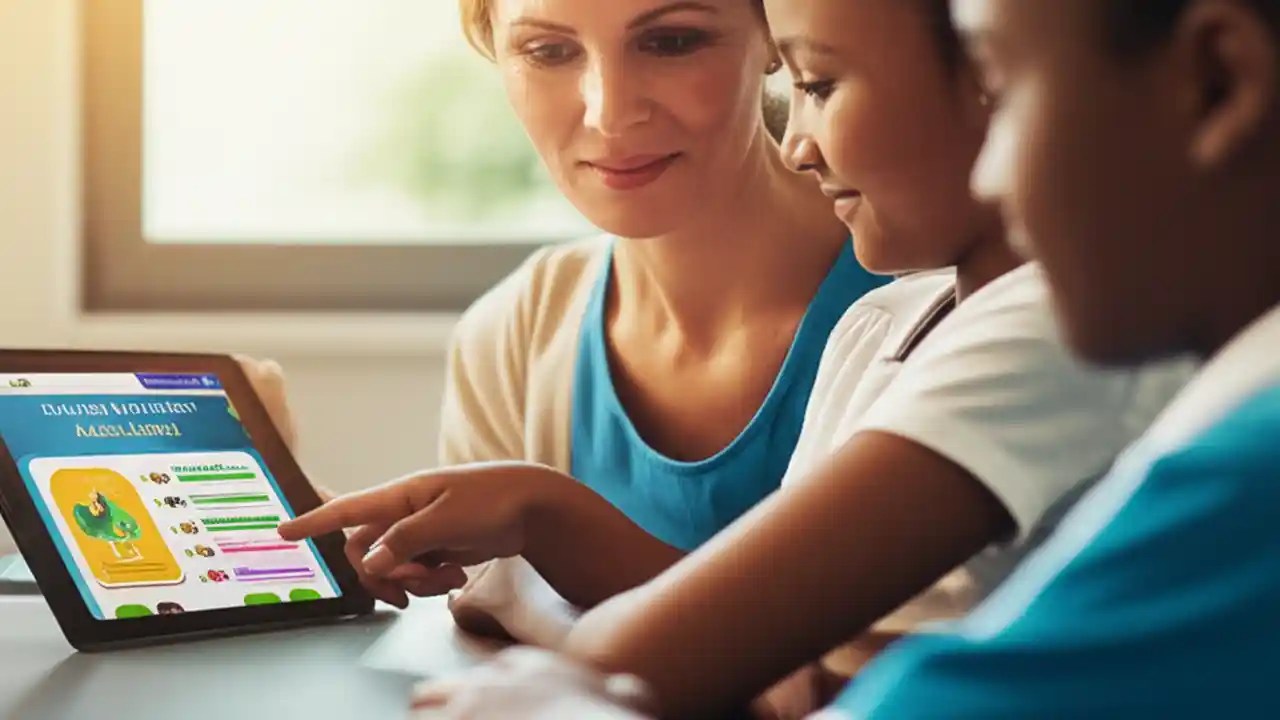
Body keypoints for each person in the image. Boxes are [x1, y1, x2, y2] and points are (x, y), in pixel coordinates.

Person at [279, 1, 1193, 717]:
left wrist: (535, 544)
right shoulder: (884, 322)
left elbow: (756, 658)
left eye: (820, 82)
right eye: (550, 50)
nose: (608, 110)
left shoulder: (1066, 325)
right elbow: (777, 659)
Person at [254, 0, 885, 639]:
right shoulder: (515, 334)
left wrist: (550, 524)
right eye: (549, 52)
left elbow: (869, 666)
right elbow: (497, 633)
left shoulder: (934, 303)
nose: (609, 112)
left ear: (778, 32)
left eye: (671, 42)